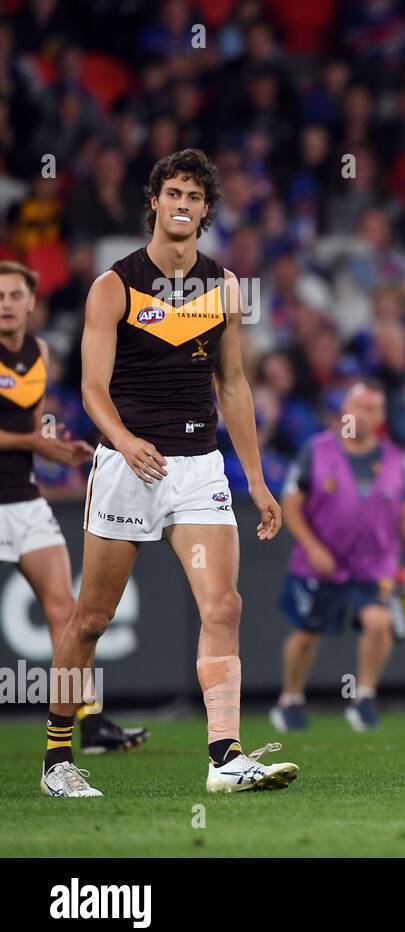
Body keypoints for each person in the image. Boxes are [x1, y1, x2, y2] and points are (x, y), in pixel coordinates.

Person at [41, 148, 297, 797]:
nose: (183, 205)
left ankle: (225, 758)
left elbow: (233, 387)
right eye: (173, 194)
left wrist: (257, 480)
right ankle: (56, 760)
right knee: (91, 619)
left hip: (198, 468)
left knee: (224, 604)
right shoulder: (115, 285)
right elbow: (91, 388)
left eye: (194, 196)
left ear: (207, 210)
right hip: (130, 467)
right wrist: (123, 442)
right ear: (153, 202)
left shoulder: (224, 286)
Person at [1, 262, 147, 754]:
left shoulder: (40, 352)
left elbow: (31, 422)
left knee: (70, 614)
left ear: (31, 302)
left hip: (23, 499)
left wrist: (56, 444)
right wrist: (35, 443)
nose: (6, 303)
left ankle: (91, 724)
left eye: (15, 295)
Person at [272, 380, 405, 732]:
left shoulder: (394, 458)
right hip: (321, 563)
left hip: (376, 563)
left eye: (372, 409)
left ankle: (364, 698)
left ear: (382, 416)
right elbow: (291, 505)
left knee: (378, 624)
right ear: (344, 411)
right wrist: (313, 547)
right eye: (358, 407)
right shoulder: (316, 451)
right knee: (307, 635)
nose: (364, 415)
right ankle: (290, 698)